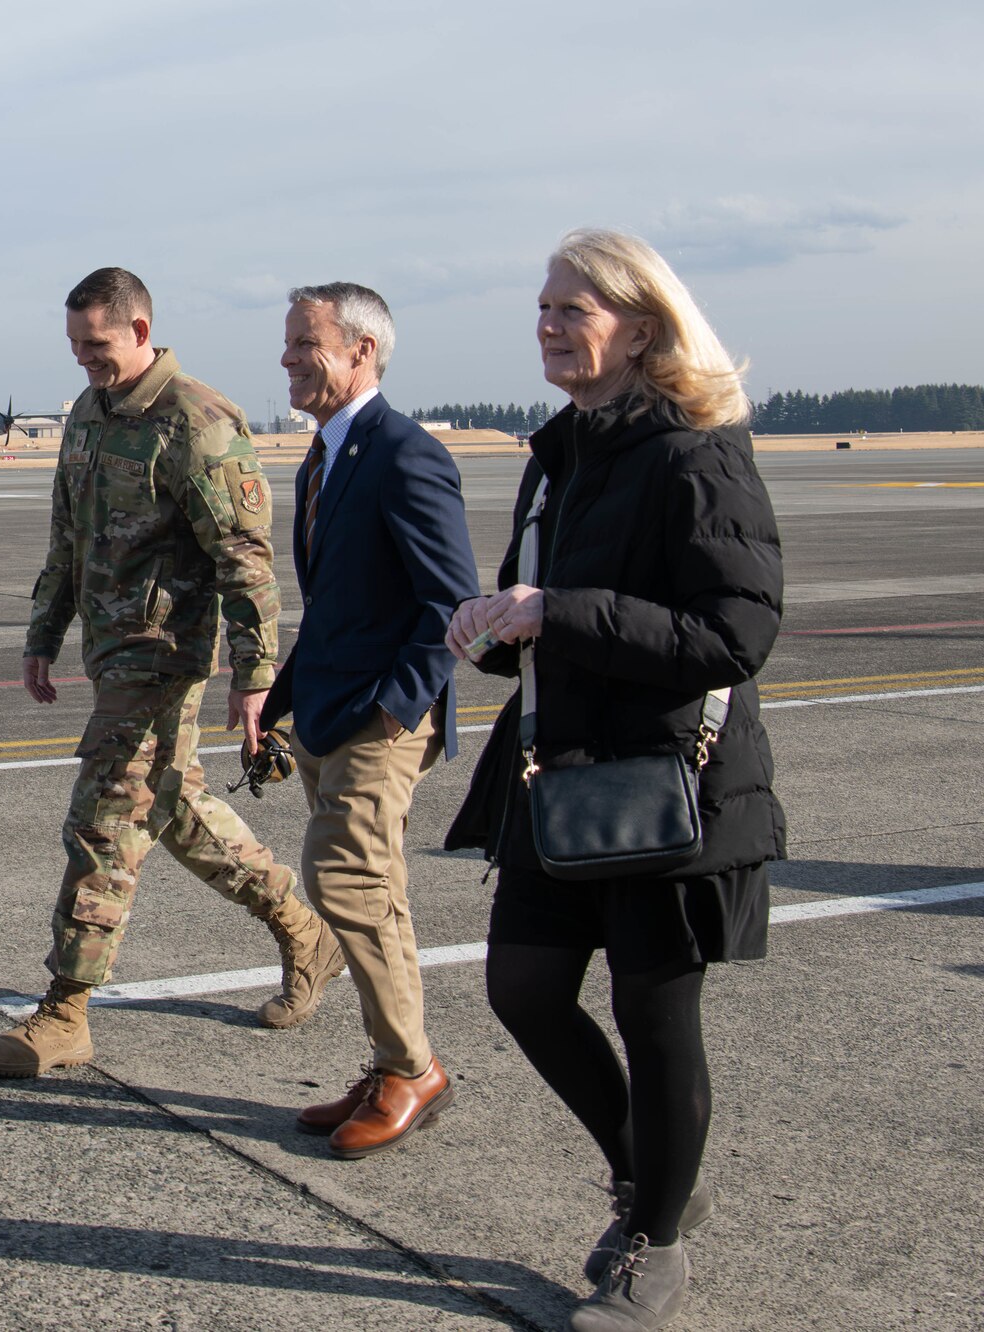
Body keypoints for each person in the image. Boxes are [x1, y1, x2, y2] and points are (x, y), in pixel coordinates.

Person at [443, 229, 784, 1331]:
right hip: (561, 774)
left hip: (665, 779)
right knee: (523, 988)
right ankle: (651, 1178)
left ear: (639, 330)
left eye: (571, 311)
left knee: (651, 1011)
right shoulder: (559, 453)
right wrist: (492, 628)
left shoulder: (695, 453)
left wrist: (558, 615)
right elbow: (534, 600)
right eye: (541, 308)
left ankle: (655, 1244)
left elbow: (735, 632)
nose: (547, 326)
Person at [0, 267, 340, 1079]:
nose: (84, 363)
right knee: (171, 807)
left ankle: (65, 1011)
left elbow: (245, 560)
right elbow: (67, 536)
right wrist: (43, 633)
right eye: (74, 347)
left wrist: (256, 678)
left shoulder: (198, 423)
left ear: (141, 331)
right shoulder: (88, 413)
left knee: (102, 816)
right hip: (108, 651)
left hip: (165, 658)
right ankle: (304, 930)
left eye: (96, 346)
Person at [258, 283, 478, 1158]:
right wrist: (281, 705)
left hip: (379, 718)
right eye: (286, 343)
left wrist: (396, 711)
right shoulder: (326, 454)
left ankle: (412, 1069)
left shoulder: (403, 454)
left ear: (362, 352)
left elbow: (451, 601)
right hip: (328, 709)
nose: (286, 358)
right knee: (373, 889)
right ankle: (393, 1063)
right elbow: (337, 605)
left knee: (347, 882)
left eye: (304, 344)